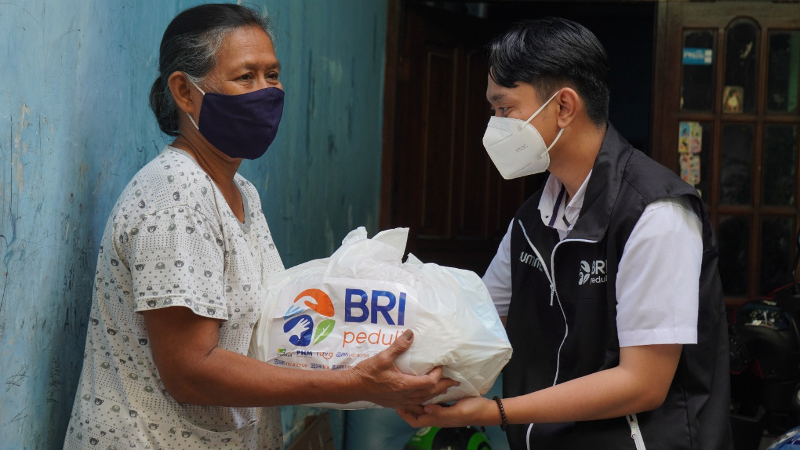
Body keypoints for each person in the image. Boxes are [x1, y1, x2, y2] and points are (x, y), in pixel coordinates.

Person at [64, 4, 456, 449]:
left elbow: (266, 333)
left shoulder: (241, 192)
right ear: (185, 92)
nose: (266, 91)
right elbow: (191, 372)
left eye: (272, 74)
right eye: (245, 76)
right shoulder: (175, 195)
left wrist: (378, 382)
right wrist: (353, 384)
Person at [397, 17, 733, 449]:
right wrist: (396, 365)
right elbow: (472, 321)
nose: (494, 125)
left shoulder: (655, 213)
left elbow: (643, 383)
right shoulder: (531, 219)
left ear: (564, 107)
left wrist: (497, 411)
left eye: (504, 109)